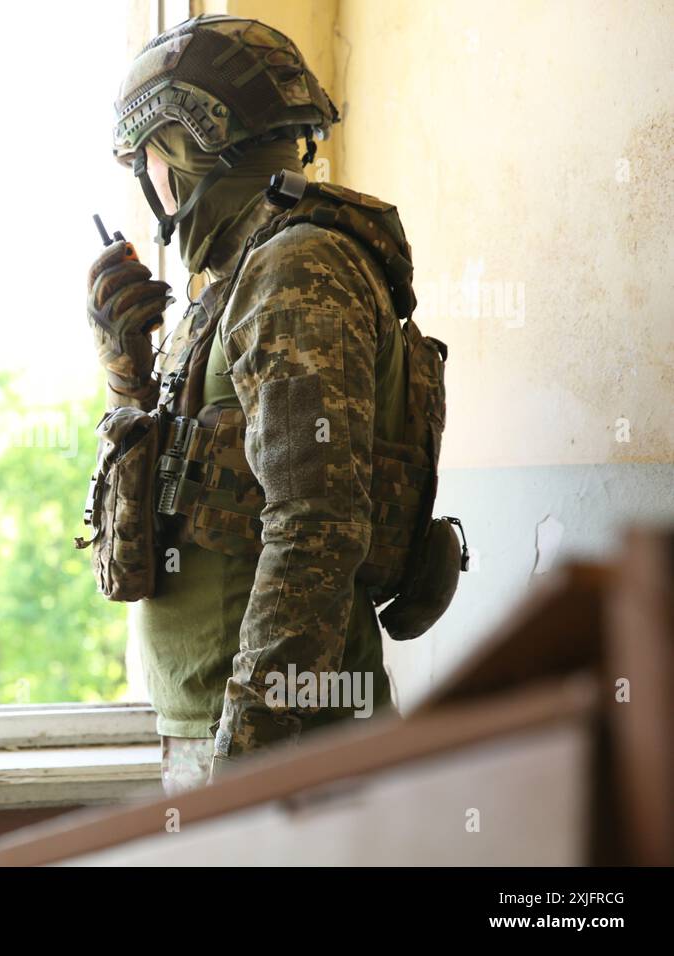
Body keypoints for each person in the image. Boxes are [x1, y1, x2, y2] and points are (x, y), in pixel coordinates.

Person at [85, 15, 424, 794]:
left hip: (286, 751)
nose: (151, 182)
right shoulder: (238, 283)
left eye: (149, 159)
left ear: (183, 146)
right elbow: (170, 508)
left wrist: (249, 755)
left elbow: (319, 523)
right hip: (234, 736)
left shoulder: (297, 266)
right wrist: (126, 379)